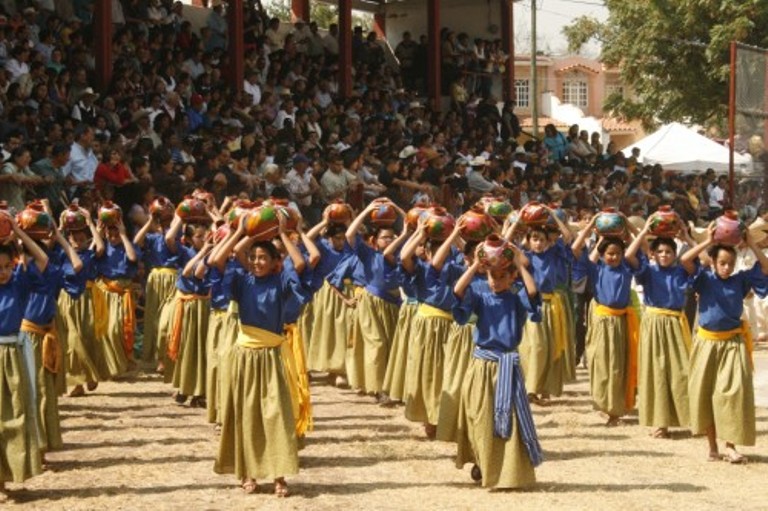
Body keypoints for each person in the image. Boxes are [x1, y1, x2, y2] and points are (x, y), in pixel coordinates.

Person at [213, 214, 305, 497]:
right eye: (252, 257)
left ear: (275, 261)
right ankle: (248, 473)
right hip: (245, 357)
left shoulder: (280, 281)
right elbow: (218, 259)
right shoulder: (243, 281)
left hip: (272, 356)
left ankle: (279, 476)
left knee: (276, 415)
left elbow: (300, 264)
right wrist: (246, 232)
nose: (256, 262)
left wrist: (283, 234)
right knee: (247, 416)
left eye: (263, 257)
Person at [452, 237, 543, 489]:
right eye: (493, 276)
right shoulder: (481, 297)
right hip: (483, 365)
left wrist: (519, 264)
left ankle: (506, 471)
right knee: (480, 416)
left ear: (512, 277)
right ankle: (482, 461)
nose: (496, 281)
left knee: (509, 418)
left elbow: (533, 293)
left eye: (502, 276)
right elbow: (457, 291)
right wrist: (475, 265)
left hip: (507, 365)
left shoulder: (516, 299)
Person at [681, 226, 768, 463]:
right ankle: (712, 446)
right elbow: (685, 260)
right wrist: (708, 241)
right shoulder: (704, 279)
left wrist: (752, 243)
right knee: (706, 392)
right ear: (713, 262)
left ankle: (730, 445)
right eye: (722, 263)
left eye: (730, 263)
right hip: (707, 343)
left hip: (733, 343)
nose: (726, 268)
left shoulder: (740, 280)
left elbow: (765, 267)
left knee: (734, 393)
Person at [627, 218, 696, 439]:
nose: (664, 255)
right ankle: (660, 423)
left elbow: (703, 260)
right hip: (654, 323)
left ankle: (690, 417)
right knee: (656, 372)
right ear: (653, 254)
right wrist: (643, 233)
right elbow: (628, 256)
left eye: (668, 252)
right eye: (660, 252)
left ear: (675, 254)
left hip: (675, 323)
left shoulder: (682, 270)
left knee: (681, 371)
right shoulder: (648, 271)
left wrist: (687, 237)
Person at [571, 215, 642, 426]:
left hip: (620, 323)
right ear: (602, 255)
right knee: (601, 364)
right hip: (602, 322)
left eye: (618, 253)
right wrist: (593, 226)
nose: (614, 257)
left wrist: (628, 225)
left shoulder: (626, 268)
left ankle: (616, 409)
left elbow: (640, 247)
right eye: (610, 253)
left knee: (618, 366)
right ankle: (604, 404)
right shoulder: (596, 269)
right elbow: (575, 248)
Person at [400, 216, 465, 437]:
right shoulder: (422, 268)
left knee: (447, 372)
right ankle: (429, 417)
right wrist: (420, 233)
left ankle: (443, 415)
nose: (442, 256)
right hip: (429, 324)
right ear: (427, 253)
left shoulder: (455, 269)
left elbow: (471, 256)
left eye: (446, 251)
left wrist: (457, 237)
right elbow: (403, 256)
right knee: (429, 372)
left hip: (451, 324)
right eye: (437, 251)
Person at [0, 215, 48, 495]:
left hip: (12, 356)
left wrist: (18, 233)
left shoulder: (17, 285)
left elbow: (42, 259)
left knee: (15, 415)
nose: (3, 272)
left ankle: (12, 472)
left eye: (7, 266)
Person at [344, 199, 408, 400]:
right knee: (377, 344)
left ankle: (391, 387)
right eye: (384, 238)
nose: (388, 240)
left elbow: (411, 225)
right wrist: (366, 210)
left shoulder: (400, 254)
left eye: (391, 237)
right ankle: (377, 389)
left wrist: (396, 207)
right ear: (375, 240)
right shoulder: (368, 254)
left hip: (393, 304)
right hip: (371, 303)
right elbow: (349, 234)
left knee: (391, 345)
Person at [164, 213, 212, 408]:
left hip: (203, 305)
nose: (203, 240)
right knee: (185, 347)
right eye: (199, 237)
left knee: (200, 350)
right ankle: (184, 386)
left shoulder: (213, 254)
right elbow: (169, 238)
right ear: (190, 239)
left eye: (205, 236)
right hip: (187, 304)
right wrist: (179, 217)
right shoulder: (185, 252)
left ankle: (200, 392)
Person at [55, 206, 104, 398]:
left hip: (85, 299)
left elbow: (100, 247)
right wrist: (60, 226)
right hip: (66, 299)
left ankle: (90, 375)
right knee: (71, 341)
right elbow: (51, 241)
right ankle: (78, 383)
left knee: (85, 338)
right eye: (74, 239)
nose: (78, 242)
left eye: (82, 239)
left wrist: (91, 223)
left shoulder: (89, 255)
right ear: (69, 239)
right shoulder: (62, 254)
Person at [92, 210, 140, 379]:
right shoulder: (103, 247)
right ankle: (112, 368)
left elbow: (132, 257)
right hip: (105, 291)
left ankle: (123, 364)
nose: (113, 238)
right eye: (109, 234)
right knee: (106, 330)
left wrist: (123, 235)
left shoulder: (128, 245)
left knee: (119, 329)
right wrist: (98, 233)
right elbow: (93, 253)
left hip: (122, 293)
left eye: (116, 234)